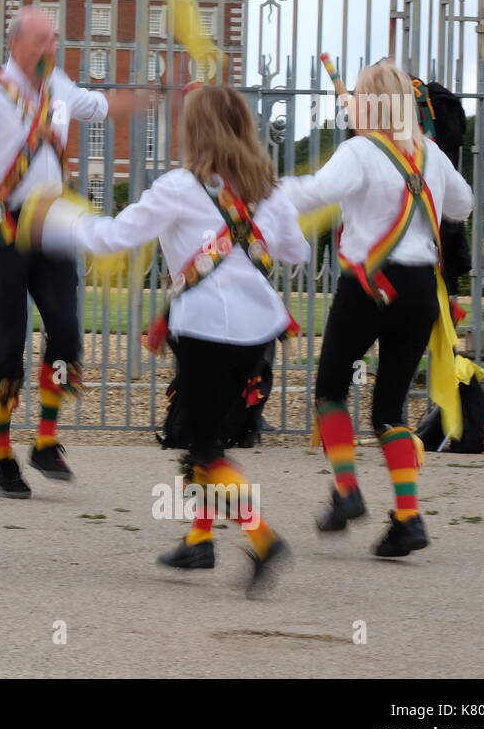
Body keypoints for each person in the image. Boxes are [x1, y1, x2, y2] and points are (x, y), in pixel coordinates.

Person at [21, 84, 310, 594]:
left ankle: (264, 538)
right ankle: (199, 540)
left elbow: (112, 237)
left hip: (203, 331)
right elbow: (297, 254)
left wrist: (57, 214)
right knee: (208, 435)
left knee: (203, 448)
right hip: (256, 334)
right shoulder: (270, 188)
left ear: (194, 131)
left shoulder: (179, 187)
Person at [0, 6, 152, 498]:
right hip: (2, 229)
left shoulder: (59, 87)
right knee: (7, 341)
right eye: (43, 41)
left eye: (53, 41)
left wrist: (137, 101)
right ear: (17, 44)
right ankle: (1, 450)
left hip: (52, 225)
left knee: (67, 333)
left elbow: (97, 105)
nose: (52, 48)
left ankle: (46, 440)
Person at [280, 61, 474, 557]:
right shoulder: (429, 153)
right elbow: (464, 205)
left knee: (330, 388)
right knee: (389, 408)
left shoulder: (359, 150)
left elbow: (315, 194)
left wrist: (270, 190)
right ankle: (408, 518)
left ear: (366, 102)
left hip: (367, 284)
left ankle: (347, 490)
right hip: (419, 290)